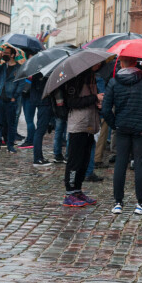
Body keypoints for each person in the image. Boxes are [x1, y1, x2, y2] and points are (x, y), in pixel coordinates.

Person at [101, 56, 142, 215]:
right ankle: (141, 203)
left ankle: (118, 202)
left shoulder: (114, 82)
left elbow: (106, 109)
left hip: (122, 128)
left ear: (122, 63)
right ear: (136, 62)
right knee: (140, 164)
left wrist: (115, 124)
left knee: (120, 164)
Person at [62, 65, 103, 207]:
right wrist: (94, 98)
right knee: (75, 160)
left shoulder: (92, 77)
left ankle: (78, 190)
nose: (99, 65)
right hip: (78, 124)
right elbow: (72, 102)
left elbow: (90, 100)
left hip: (90, 124)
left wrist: (97, 102)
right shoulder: (76, 79)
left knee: (84, 160)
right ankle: (69, 193)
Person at [0, 47, 22, 153]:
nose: (4, 54)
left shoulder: (19, 68)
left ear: (12, 55)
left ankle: (10, 145)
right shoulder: (2, 66)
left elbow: (21, 83)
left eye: (6, 53)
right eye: (3, 53)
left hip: (10, 100)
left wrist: (15, 97)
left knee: (10, 124)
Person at [29, 74, 54, 167]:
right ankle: (37, 158)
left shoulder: (38, 73)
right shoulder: (42, 74)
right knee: (40, 131)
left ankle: (39, 157)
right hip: (44, 102)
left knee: (40, 131)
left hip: (42, 102)